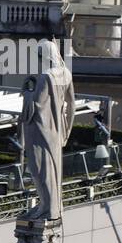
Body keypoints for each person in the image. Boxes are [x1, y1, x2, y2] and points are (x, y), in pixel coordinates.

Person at [19, 41, 76, 221]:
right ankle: (51, 205)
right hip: (57, 129)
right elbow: (72, 103)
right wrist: (67, 128)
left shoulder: (46, 76)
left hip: (40, 128)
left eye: (39, 56)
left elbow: (36, 103)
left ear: (44, 56)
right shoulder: (66, 74)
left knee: (39, 167)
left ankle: (47, 207)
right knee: (52, 167)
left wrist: (27, 90)